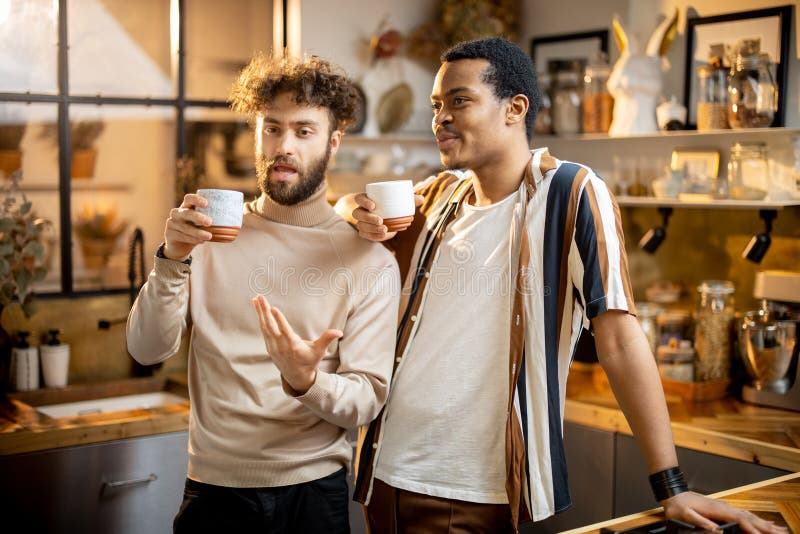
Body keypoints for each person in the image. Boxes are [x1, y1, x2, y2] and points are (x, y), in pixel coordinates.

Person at [337, 37, 787, 534]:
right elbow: (350, 214)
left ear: (515, 108)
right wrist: (349, 212)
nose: (441, 116)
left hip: (465, 487)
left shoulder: (572, 193)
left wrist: (672, 486)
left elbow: (618, 340)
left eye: (459, 101)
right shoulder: (437, 195)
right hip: (383, 470)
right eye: (437, 105)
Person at [127, 53, 400, 534]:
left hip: (314, 494)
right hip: (214, 489)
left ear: (334, 142)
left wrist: (305, 381)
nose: (284, 146)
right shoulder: (207, 238)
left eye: (303, 131)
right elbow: (146, 349)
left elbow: (367, 398)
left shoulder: (369, 259)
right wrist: (171, 257)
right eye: (271, 128)